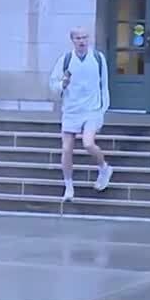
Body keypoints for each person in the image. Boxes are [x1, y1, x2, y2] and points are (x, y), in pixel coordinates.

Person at [48, 27, 113, 202]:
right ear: (73, 40)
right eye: (78, 38)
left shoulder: (98, 58)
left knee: (88, 143)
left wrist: (102, 109)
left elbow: (104, 85)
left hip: (92, 109)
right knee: (66, 149)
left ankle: (104, 168)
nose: (82, 41)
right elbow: (53, 83)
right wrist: (62, 85)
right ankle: (68, 186)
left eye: (84, 37)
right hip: (71, 109)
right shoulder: (66, 59)